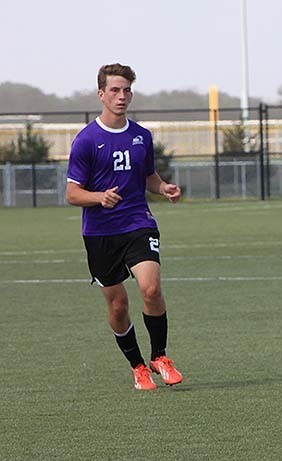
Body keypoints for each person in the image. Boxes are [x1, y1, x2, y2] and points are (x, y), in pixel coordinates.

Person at [65, 63, 184, 391]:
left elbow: (149, 177)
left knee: (151, 288)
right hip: (101, 233)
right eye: (115, 90)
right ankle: (137, 366)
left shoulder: (141, 136)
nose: (122, 96)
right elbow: (72, 193)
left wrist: (164, 188)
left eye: (127, 90)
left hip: (138, 223)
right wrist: (99, 197)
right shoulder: (86, 141)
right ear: (101, 94)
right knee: (118, 306)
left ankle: (160, 356)